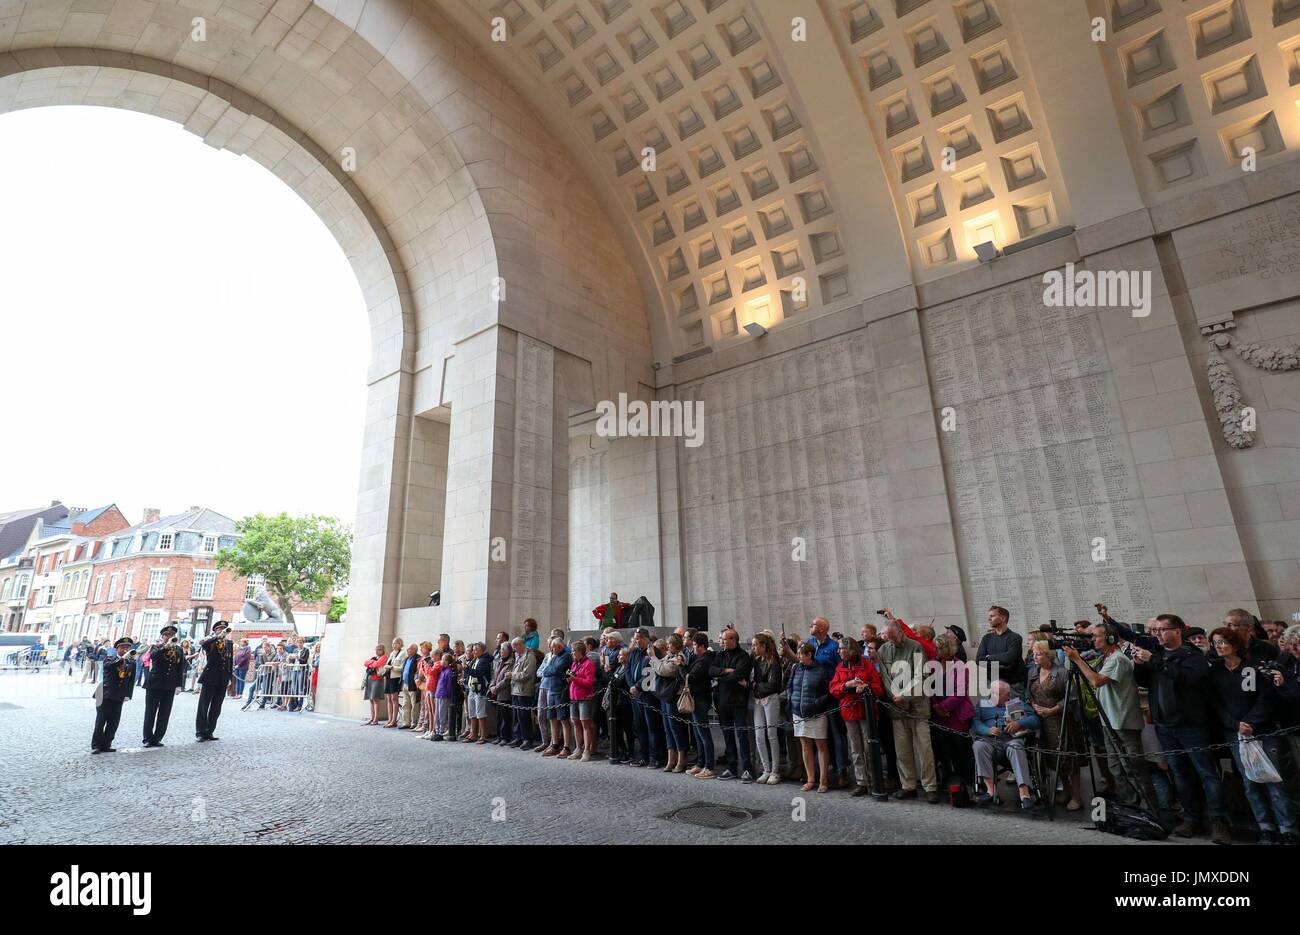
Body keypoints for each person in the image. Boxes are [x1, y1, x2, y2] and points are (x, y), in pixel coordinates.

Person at [1129, 614, 1230, 844]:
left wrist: (1153, 659)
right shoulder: (1159, 656)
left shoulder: (1191, 655)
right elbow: (1144, 681)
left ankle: (1219, 820)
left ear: (1177, 631)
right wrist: (1139, 664)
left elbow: (1187, 678)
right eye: (1156, 631)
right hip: (1165, 725)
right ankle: (1191, 816)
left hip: (1191, 724)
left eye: (1163, 630)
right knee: (1179, 774)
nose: (1159, 635)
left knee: (1207, 773)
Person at [1206, 626, 1297, 845]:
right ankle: (1265, 827)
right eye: (1216, 643)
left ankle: (1288, 828)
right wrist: (1235, 724)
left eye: (1223, 642)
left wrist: (1252, 723)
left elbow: (1266, 698)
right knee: (1250, 784)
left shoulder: (1254, 669)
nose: (1219, 647)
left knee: (1274, 781)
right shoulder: (1215, 673)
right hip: (1235, 733)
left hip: (1263, 731)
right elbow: (1216, 704)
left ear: (1235, 644)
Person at [1063, 622, 1158, 812]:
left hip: (1123, 722)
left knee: (1133, 768)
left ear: (1111, 638)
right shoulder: (1104, 658)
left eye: (1096, 636)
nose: (1093, 640)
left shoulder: (1117, 659)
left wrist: (1077, 660)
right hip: (1109, 722)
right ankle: (1131, 806)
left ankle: (1150, 810)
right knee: (1116, 768)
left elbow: (1096, 681)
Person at [877, 619, 939, 802]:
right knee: (902, 750)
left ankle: (930, 786)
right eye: (888, 639)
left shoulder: (916, 647)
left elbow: (921, 675)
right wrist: (895, 697)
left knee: (924, 749)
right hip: (896, 709)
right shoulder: (883, 650)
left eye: (894, 637)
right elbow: (885, 677)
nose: (892, 642)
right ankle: (908, 785)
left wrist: (905, 696)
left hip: (917, 707)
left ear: (900, 633)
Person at [1026, 640, 1082, 811]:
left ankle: (1076, 796)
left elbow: (1071, 698)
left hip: (1061, 721)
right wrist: (1033, 706)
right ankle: (1065, 790)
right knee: (1055, 759)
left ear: (1049, 655)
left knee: (1068, 758)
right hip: (1042, 722)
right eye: (1034, 654)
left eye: (1039, 653)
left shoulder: (1061, 673)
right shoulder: (1033, 672)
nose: (1035, 657)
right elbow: (1029, 693)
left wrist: (1051, 710)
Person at [972, 680, 1041, 810]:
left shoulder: (1017, 703)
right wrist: (988, 730)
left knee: (1016, 748)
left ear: (1007, 695)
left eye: (997, 693)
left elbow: (1035, 720)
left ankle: (1024, 794)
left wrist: (1020, 724)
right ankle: (990, 791)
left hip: (1012, 740)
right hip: (990, 741)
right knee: (978, 746)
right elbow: (975, 723)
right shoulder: (982, 704)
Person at [830, 637, 885, 796]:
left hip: (866, 710)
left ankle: (874, 780)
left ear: (850, 650)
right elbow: (833, 688)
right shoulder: (840, 666)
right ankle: (861, 782)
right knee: (855, 749)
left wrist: (866, 686)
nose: (839, 651)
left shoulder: (866, 664)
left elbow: (878, 687)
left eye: (841, 648)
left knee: (869, 748)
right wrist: (846, 685)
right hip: (849, 711)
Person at [930, 632, 975, 794]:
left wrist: (944, 707)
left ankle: (967, 781)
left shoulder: (959, 666)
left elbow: (960, 692)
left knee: (961, 751)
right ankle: (948, 779)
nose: (936, 651)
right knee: (943, 750)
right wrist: (936, 706)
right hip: (939, 716)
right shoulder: (933, 664)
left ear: (946, 649)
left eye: (938, 648)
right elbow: (929, 688)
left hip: (956, 715)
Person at [788, 641, 834, 793]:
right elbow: (790, 686)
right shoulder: (796, 668)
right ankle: (810, 779)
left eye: (801, 654)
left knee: (821, 745)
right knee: (805, 745)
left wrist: (816, 704)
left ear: (809, 655)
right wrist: (792, 701)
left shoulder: (820, 670)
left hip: (816, 712)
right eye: (799, 654)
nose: (799, 657)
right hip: (798, 711)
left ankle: (823, 780)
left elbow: (827, 692)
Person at [710, 628, 754, 782]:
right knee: (727, 737)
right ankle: (732, 767)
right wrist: (724, 672)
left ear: (733, 640)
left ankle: (747, 769)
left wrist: (721, 676)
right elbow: (711, 670)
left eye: (724, 639)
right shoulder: (720, 655)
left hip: (738, 702)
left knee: (742, 737)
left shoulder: (743, 656)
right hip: (723, 702)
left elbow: (738, 675)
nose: (720, 641)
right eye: (721, 638)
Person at [142, 624, 187, 747]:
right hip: (154, 685)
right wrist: (164, 647)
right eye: (167, 635)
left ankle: (157, 738)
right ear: (162, 637)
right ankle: (147, 738)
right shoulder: (156, 647)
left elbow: (180, 667)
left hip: (169, 686)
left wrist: (179, 685)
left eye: (172, 635)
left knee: (164, 713)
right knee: (150, 712)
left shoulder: (178, 650)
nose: (169, 637)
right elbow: (153, 658)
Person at [650, 635, 689, 773]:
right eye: (667, 643)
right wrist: (656, 661)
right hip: (665, 696)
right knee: (667, 728)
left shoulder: (680, 658)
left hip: (674, 696)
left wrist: (653, 658)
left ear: (676, 645)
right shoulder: (668, 657)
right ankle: (671, 758)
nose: (667, 646)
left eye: (670, 644)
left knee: (676, 728)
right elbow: (658, 666)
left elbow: (663, 670)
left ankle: (681, 759)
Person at [91, 637, 136, 753]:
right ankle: (96, 745)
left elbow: (131, 680)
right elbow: (109, 667)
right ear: (117, 649)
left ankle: (106, 744)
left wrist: (128, 694)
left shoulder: (131, 662)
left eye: (128, 648)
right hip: (104, 693)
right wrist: (122, 659)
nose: (126, 650)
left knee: (114, 721)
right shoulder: (109, 658)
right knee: (101, 720)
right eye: (123, 647)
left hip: (118, 695)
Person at [750, 632, 784, 785]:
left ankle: (775, 771)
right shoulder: (756, 661)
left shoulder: (774, 662)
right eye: (752, 645)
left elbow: (774, 685)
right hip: (758, 699)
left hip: (770, 698)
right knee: (759, 735)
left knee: (771, 734)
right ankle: (766, 769)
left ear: (764, 646)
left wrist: (756, 685)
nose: (753, 648)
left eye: (756, 645)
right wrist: (755, 686)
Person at [195, 623, 234, 742]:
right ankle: (200, 732)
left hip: (222, 678)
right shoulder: (211, 641)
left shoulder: (229, 643)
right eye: (220, 629)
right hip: (210, 677)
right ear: (215, 631)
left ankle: (210, 731)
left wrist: (230, 678)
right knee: (204, 706)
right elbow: (203, 645)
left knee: (216, 707)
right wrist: (217, 637)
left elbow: (229, 660)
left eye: (224, 629)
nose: (223, 631)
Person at [685, 632, 716, 779]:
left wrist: (680, 667)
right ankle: (700, 762)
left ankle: (709, 766)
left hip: (701, 699)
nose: (693, 647)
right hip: (696, 698)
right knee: (698, 734)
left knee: (704, 734)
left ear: (702, 646)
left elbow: (691, 677)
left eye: (695, 645)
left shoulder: (704, 661)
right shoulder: (699, 659)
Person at [538, 638, 573, 757]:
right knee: (551, 718)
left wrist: (550, 670)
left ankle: (566, 747)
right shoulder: (554, 656)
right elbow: (546, 670)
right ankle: (555, 744)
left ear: (559, 647)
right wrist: (550, 670)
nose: (551, 649)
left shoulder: (566, 656)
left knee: (563, 719)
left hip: (560, 691)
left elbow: (557, 669)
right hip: (551, 690)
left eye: (553, 647)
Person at [976, 606, 1025, 687]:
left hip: (1011, 684)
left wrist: (989, 657)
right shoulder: (987, 638)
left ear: (1002, 618)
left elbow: (1009, 658)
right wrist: (1003, 664)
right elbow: (979, 660)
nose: (989, 619)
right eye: (989, 616)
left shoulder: (1015, 637)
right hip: (991, 683)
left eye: (992, 616)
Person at [566, 640, 597, 761]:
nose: (572, 653)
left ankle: (587, 750)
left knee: (585, 724)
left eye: (574, 651)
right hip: (573, 697)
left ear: (581, 652)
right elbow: (573, 679)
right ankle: (578, 748)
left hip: (584, 697)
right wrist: (569, 678)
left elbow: (589, 683)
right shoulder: (574, 663)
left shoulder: (589, 664)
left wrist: (575, 678)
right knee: (575, 723)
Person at [508, 637, 536, 748]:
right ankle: (517, 737)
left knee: (524, 716)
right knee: (516, 716)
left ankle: (527, 738)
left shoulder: (529, 657)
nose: (514, 651)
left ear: (520, 645)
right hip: (515, 689)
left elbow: (526, 674)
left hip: (524, 690)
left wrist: (512, 675)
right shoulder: (518, 656)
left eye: (515, 648)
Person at [463, 642, 493, 743]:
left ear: (482, 651)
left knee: (480, 713)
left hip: (480, 690)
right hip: (472, 688)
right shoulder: (475, 659)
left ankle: (483, 736)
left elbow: (477, 673)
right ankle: (473, 734)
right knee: (472, 713)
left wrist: (467, 668)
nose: (474, 652)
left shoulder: (484, 660)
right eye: (473, 650)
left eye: (476, 650)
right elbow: (469, 673)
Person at [490, 639, 514, 744]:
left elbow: (507, 679)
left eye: (503, 649)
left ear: (509, 650)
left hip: (505, 693)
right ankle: (499, 736)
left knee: (505, 716)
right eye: (500, 649)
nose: (501, 651)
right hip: (496, 692)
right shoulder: (499, 661)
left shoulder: (511, 662)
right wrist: (492, 686)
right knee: (498, 716)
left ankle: (505, 737)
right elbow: (494, 675)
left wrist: (497, 688)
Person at [362, 644, 388, 726]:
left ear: (383, 650)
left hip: (377, 680)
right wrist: (373, 662)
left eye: (379, 649)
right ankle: (372, 717)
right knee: (371, 699)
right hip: (370, 680)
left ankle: (376, 719)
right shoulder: (374, 658)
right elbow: (365, 663)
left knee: (376, 699)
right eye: (376, 649)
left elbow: (376, 665)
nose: (377, 651)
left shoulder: (384, 657)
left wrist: (372, 663)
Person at [398, 642, 421, 730]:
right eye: (408, 649)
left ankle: (414, 722)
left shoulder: (418, 659)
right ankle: (406, 722)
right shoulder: (407, 658)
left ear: (415, 650)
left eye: (410, 649)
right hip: (405, 684)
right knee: (405, 704)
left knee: (414, 704)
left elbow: (417, 672)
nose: (408, 650)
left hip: (413, 685)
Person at [380, 639, 403, 727]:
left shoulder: (402, 653)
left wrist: (392, 667)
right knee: (389, 699)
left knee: (394, 699)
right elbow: (387, 663)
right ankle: (390, 719)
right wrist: (386, 666)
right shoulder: (392, 653)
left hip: (395, 678)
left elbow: (401, 668)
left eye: (396, 643)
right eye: (393, 643)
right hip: (389, 677)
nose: (394, 645)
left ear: (400, 644)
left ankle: (394, 720)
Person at [433, 653, 455, 740]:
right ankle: (437, 730)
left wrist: (448, 695)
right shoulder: (442, 670)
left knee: (442, 714)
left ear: (448, 662)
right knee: (437, 714)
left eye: (444, 660)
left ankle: (441, 731)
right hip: (438, 694)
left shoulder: (448, 672)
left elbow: (449, 685)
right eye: (442, 659)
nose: (442, 661)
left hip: (444, 695)